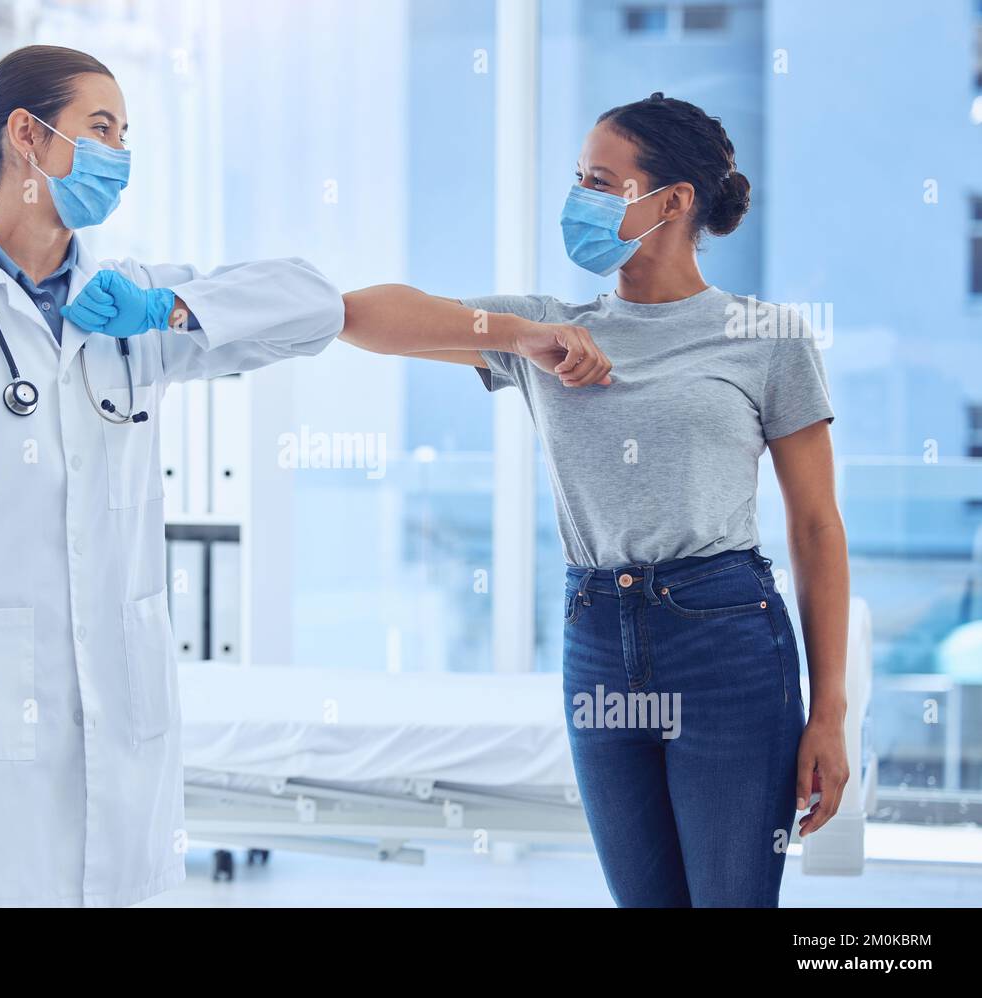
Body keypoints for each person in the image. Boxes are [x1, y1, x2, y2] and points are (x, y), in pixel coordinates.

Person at [0, 45, 343, 907]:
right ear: (28, 137)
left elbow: (314, 305)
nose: (120, 155)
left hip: (119, 722)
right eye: (100, 129)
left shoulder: (130, 303)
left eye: (125, 133)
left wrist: (172, 311)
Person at [338, 93, 849, 907]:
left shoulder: (766, 335)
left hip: (726, 638)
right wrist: (516, 337)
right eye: (579, 178)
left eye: (602, 181)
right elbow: (360, 317)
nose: (579, 199)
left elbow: (818, 528)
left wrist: (829, 713)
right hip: (598, 640)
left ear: (674, 201)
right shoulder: (548, 327)